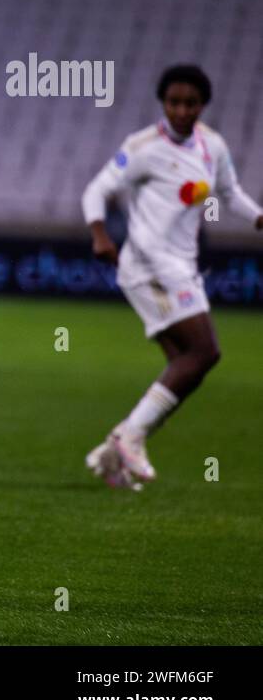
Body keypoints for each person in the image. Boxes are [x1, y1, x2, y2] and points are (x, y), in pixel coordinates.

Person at [81, 65, 263, 489]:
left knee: (186, 367)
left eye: (190, 103)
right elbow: (96, 189)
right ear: (162, 103)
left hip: (180, 265)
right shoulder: (141, 147)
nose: (181, 110)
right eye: (174, 102)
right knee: (204, 353)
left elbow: (230, 192)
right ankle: (131, 438)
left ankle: (116, 450)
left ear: (202, 106)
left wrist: (258, 218)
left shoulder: (212, 146)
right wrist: (99, 234)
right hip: (149, 266)